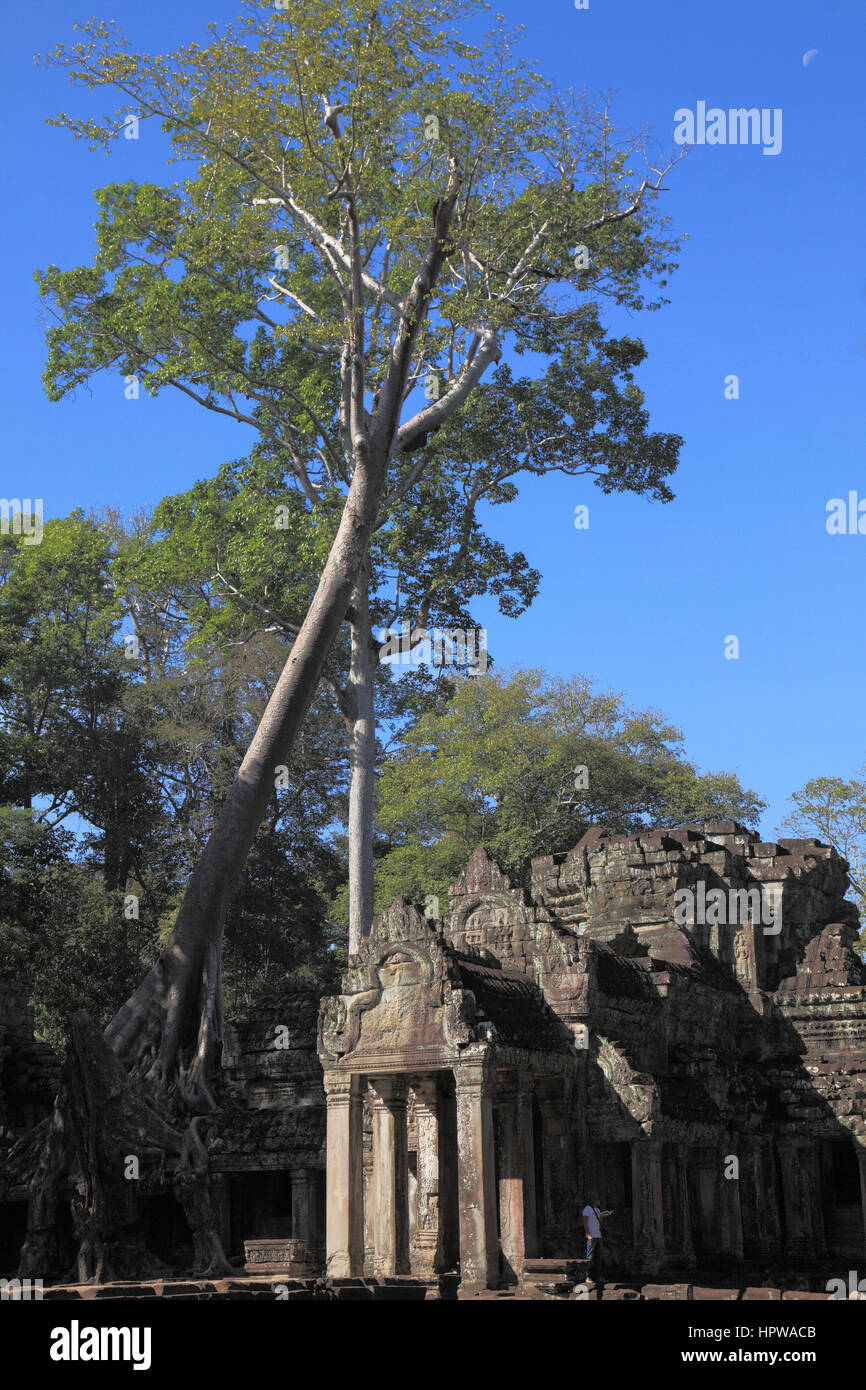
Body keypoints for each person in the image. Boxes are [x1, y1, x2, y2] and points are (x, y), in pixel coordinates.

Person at [582, 1191, 604, 1284]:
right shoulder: (587, 1209)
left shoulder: (597, 1210)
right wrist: (589, 1234)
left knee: (598, 1257)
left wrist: (602, 1216)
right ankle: (587, 1276)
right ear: (594, 1200)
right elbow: (585, 1223)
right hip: (591, 1235)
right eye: (597, 1199)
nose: (599, 1201)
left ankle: (598, 1276)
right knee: (589, 1256)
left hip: (598, 1235)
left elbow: (601, 1223)